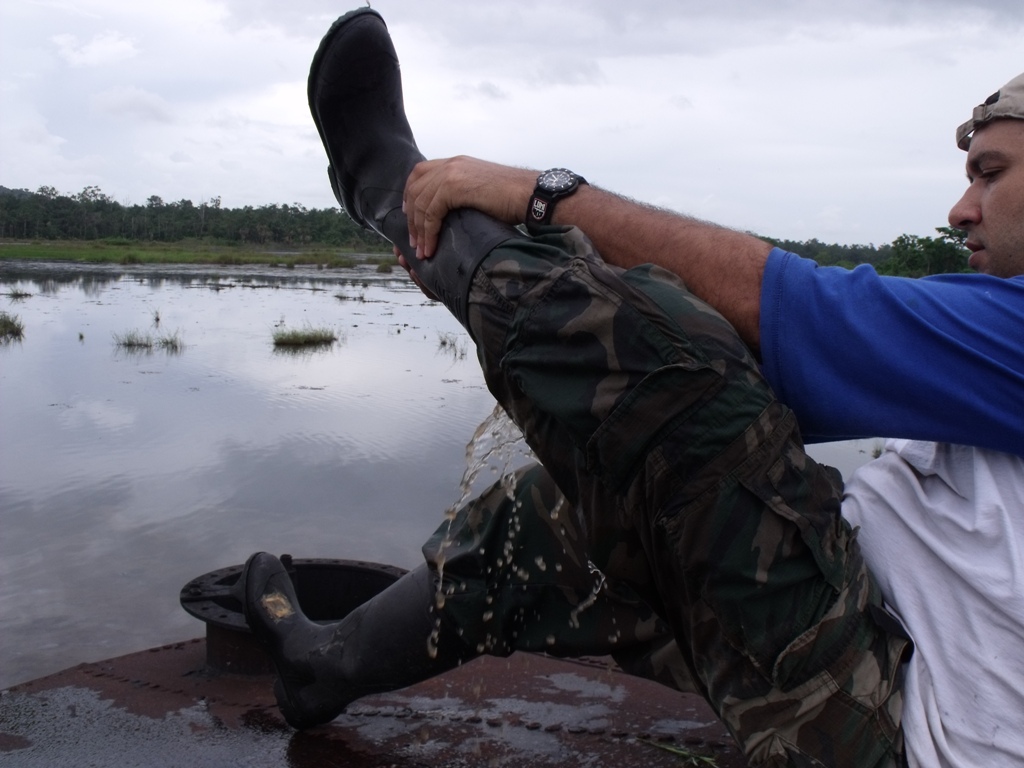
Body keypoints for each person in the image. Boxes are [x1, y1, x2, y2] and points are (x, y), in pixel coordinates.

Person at [241, 8, 1024, 767]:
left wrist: (537, 197)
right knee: (569, 512)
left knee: (679, 385)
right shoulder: (990, 353)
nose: (959, 210)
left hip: (886, 726)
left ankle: (389, 193)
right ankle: (326, 667)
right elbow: (766, 367)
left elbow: (773, 313)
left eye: (990, 174)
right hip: (871, 646)